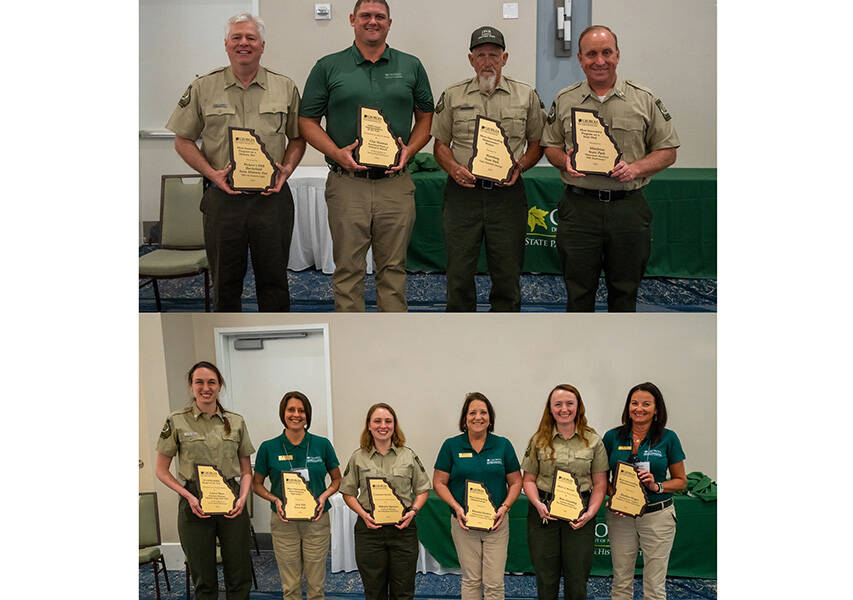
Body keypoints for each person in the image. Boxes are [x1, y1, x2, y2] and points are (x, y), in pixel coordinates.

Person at [299, 0, 434, 312]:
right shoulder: (328, 66)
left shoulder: (411, 65)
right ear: (352, 20)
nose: (372, 21)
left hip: (395, 184)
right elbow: (306, 121)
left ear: (389, 22)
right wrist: (336, 153)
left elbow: (426, 117)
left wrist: (410, 150)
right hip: (348, 183)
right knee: (348, 271)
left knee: (394, 270)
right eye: (365, 16)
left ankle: (394, 342)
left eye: (379, 16)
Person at [166, 13, 306, 312]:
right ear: (226, 45)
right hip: (223, 200)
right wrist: (211, 174)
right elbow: (183, 139)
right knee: (226, 285)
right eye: (237, 38)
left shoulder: (285, 87)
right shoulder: (204, 87)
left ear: (263, 45)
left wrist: (288, 170)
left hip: (272, 200)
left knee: (274, 284)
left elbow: (297, 138)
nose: (244, 43)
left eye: (251, 38)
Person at [540, 25, 680, 312]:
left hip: (627, 209)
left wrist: (637, 168)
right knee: (578, 293)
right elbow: (549, 145)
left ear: (618, 55)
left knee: (625, 293)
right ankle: (578, 355)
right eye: (591, 54)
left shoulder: (644, 99)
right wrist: (563, 160)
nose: (599, 60)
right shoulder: (565, 99)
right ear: (580, 59)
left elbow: (667, 151)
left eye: (606, 52)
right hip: (579, 210)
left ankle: (621, 355)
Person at [431, 26, 545, 312]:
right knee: (458, 272)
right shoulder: (453, 95)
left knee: (507, 273)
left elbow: (538, 143)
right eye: (480, 55)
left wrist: (521, 166)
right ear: (471, 60)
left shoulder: (526, 95)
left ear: (504, 58)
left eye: (493, 54)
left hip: (506, 196)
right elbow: (440, 146)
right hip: (462, 195)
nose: (487, 61)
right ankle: (460, 333)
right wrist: (454, 168)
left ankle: (506, 336)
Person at [155, 361, 255, 600]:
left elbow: (246, 471)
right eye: (199, 382)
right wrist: (188, 496)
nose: (205, 387)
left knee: (239, 573)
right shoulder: (177, 420)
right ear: (191, 385)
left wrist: (242, 498)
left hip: (231, 502)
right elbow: (161, 470)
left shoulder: (237, 421)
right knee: (203, 576)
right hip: (194, 503)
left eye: (211, 382)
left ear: (220, 386)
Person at [521, 384, 608, 600]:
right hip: (544, 513)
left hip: (581, 516)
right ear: (550, 409)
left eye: (570, 403)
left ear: (578, 407)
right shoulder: (538, 440)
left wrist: (590, 513)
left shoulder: (594, 441)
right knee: (546, 577)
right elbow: (528, 480)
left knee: (577, 578)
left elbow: (600, 484)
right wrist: (538, 505)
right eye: (557, 404)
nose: (564, 409)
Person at [252, 392, 342, 600]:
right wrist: (275, 499)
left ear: (307, 415)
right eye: (291, 409)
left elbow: (337, 479)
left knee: (316, 585)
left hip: (316, 521)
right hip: (284, 523)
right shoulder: (269, 447)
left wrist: (324, 496)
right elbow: (256, 484)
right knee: (290, 586)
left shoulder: (322, 444)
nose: (296, 414)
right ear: (283, 413)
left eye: (301, 410)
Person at [433, 392, 522, 600]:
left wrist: (505, 507)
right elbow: (438, 482)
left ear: (490, 418)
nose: (478, 417)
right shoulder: (451, 446)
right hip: (464, 524)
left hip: (496, 524)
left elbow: (516, 481)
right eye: (472, 412)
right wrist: (456, 507)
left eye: (483, 412)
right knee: (471, 580)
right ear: (465, 418)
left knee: (494, 583)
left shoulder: (503, 445)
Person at [602, 382, 686, 600]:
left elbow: (681, 481)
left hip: (657, 515)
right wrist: (614, 495)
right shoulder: (612, 437)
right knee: (621, 581)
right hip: (621, 517)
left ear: (657, 409)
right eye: (634, 403)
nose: (639, 408)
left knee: (655, 585)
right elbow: (601, 478)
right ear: (627, 407)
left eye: (646, 404)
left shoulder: (669, 438)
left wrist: (656, 485)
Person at [339, 403, 431, 600]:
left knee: (404, 591)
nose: (383, 425)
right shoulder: (358, 457)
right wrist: (363, 515)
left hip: (403, 529)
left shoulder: (408, 455)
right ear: (369, 426)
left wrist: (413, 511)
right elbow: (347, 492)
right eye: (377, 421)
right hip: (369, 530)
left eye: (388, 421)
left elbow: (423, 489)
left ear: (394, 425)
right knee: (374, 591)